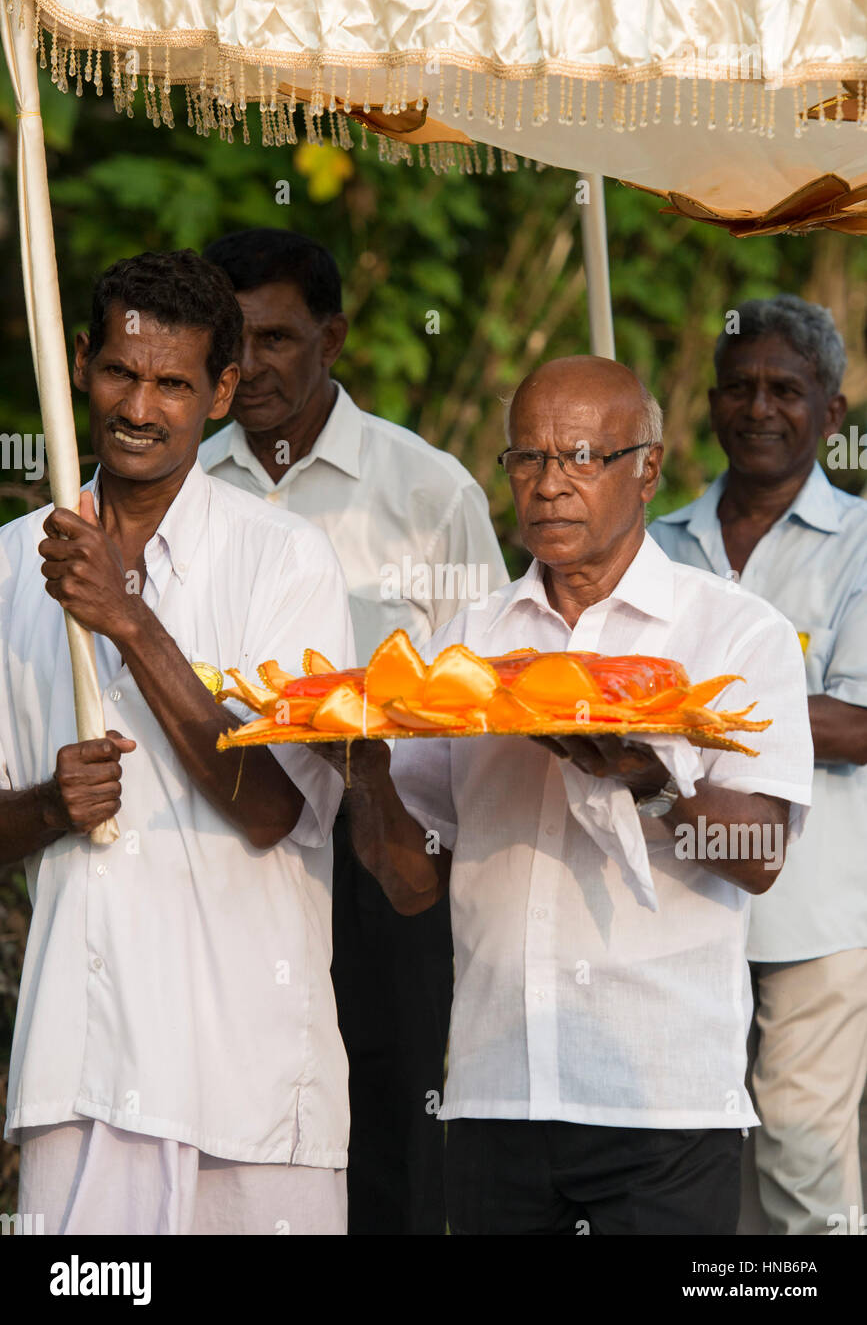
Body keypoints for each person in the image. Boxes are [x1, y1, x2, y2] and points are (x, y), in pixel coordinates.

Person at [316, 355, 813, 1235]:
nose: (548, 485)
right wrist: (360, 770)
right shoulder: (471, 643)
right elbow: (411, 882)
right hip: (493, 1090)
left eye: (581, 457)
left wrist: (653, 782)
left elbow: (760, 860)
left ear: (647, 467)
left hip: (660, 1098)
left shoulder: (734, 631)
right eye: (526, 460)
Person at [0, 250, 354, 1235]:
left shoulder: (286, 562)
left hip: (250, 1085)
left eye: (173, 383)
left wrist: (130, 621)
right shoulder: (6, 570)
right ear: (80, 364)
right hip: (84, 1074)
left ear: (223, 391)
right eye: (120, 372)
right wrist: (43, 808)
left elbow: (276, 807)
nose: (141, 407)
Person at [198, 228, 508, 1235]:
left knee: (396, 1110)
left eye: (276, 338)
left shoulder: (430, 492)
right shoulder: (180, 491)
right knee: (231, 1100)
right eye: (229, 340)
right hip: (227, 842)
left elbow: (490, 686)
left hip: (386, 849)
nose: (250, 367)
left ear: (333, 336)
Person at [650, 295, 867, 1236]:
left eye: (787, 389)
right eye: (738, 388)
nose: (759, 408)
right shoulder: (654, 544)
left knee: (800, 1161)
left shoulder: (860, 543)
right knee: (687, 1159)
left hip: (816, 917)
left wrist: (680, 711)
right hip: (674, 900)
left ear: (832, 413)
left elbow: (860, 723)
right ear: (708, 405)